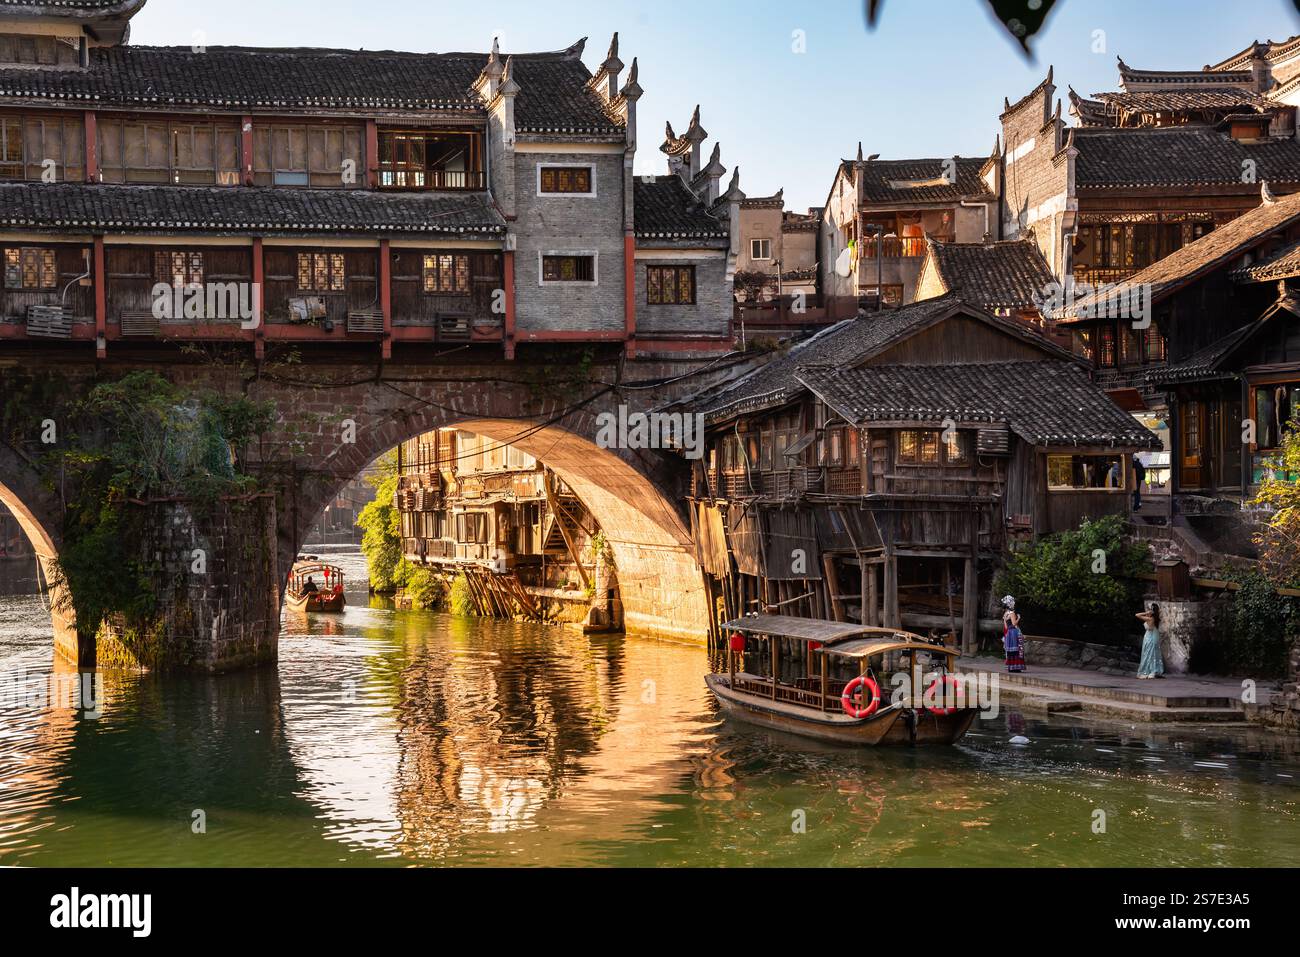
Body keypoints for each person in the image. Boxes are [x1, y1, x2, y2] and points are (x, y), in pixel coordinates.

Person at [1136, 603, 1164, 679]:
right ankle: (1154, 670)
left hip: (1149, 637)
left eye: (1150, 609)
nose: (1148, 611)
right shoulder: (1156, 618)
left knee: (1147, 654)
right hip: (1153, 637)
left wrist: (1146, 613)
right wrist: (1151, 613)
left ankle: (1146, 671)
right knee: (1153, 654)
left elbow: (1137, 615)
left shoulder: (1150, 619)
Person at [1000, 595, 1025, 673]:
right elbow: (1014, 623)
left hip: (1009, 633)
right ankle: (1016, 667)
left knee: (1011, 650)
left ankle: (1011, 667)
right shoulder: (1012, 613)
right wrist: (1018, 618)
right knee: (1016, 649)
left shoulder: (1005, 614)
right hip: (1014, 632)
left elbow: (1006, 627)